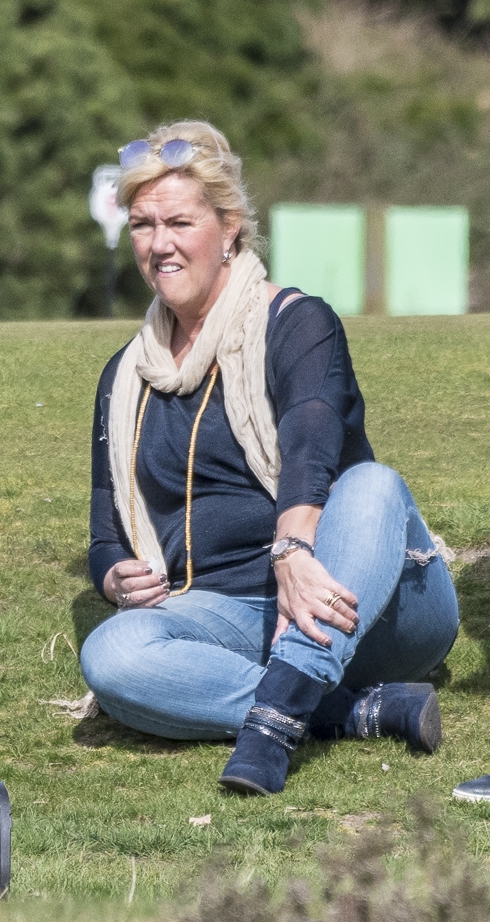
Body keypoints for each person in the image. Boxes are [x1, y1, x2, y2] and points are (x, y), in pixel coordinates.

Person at [76, 122, 455, 795]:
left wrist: (293, 555)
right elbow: (106, 533)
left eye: (179, 223)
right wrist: (115, 580)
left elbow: (314, 440)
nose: (158, 244)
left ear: (228, 230)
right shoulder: (125, 375)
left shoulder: (296, 322)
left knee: (371, 485)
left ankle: (274, 724)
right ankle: (346, 708)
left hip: (360, 595)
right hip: (231, 613)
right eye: (142, 225)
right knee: (112, 652)